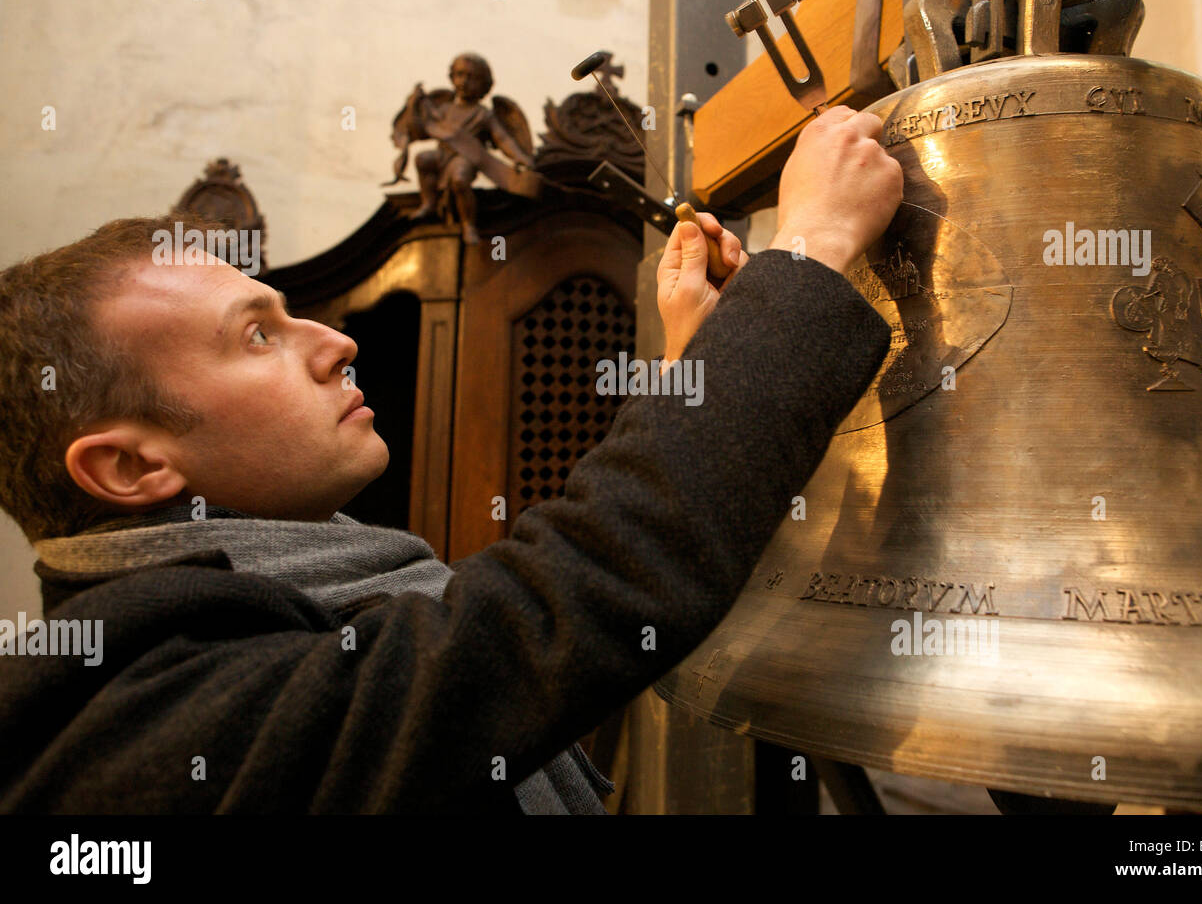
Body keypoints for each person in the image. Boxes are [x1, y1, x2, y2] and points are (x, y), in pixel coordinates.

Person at [0, 105, 902, 813]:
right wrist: (812, 251)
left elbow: (503, 654)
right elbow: (557, 610)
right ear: (127, 469)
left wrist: (693, 370)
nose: (334, 342)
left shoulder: (263, 612)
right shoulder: (139, 733)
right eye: (255, 337)